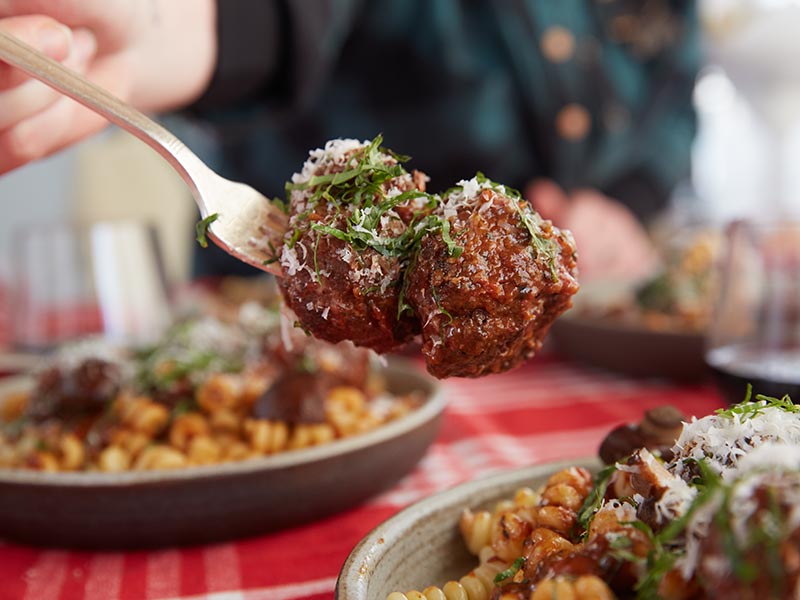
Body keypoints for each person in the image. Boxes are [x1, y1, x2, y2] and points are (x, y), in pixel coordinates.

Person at [0, 0, 700, 281]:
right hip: (287, 301)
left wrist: (624, 205)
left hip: (572, 328)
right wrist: (168, 30)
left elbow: (676, 103)